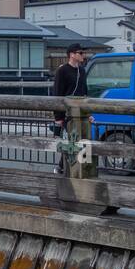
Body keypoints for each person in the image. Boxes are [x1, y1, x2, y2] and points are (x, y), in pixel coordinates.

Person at [50, 43, 89, 174]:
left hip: (81, 111)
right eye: (80, 53)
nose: (83, 55)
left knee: (84, 140)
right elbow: (57, 93)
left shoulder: (82, 70)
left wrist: (88, 113)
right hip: (68, 113)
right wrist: (58, 117)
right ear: (72, 54)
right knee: (72, 140)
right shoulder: (62, 71)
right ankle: (65, 167)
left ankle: (83, 167)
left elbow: (85, 91)